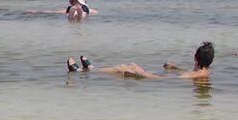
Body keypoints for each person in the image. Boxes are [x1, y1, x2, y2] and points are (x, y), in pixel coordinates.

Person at [81, 42, 215, 81]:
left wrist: (140, 74)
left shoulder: (191, 76)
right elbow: (190, 73)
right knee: (126, 67)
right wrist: (175, 67)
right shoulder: (205, 72)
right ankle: (91, 68)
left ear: (195, 58)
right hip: (160, 75)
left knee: (125, 68)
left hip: (157, 78)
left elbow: (165, 80)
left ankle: (91, 69)